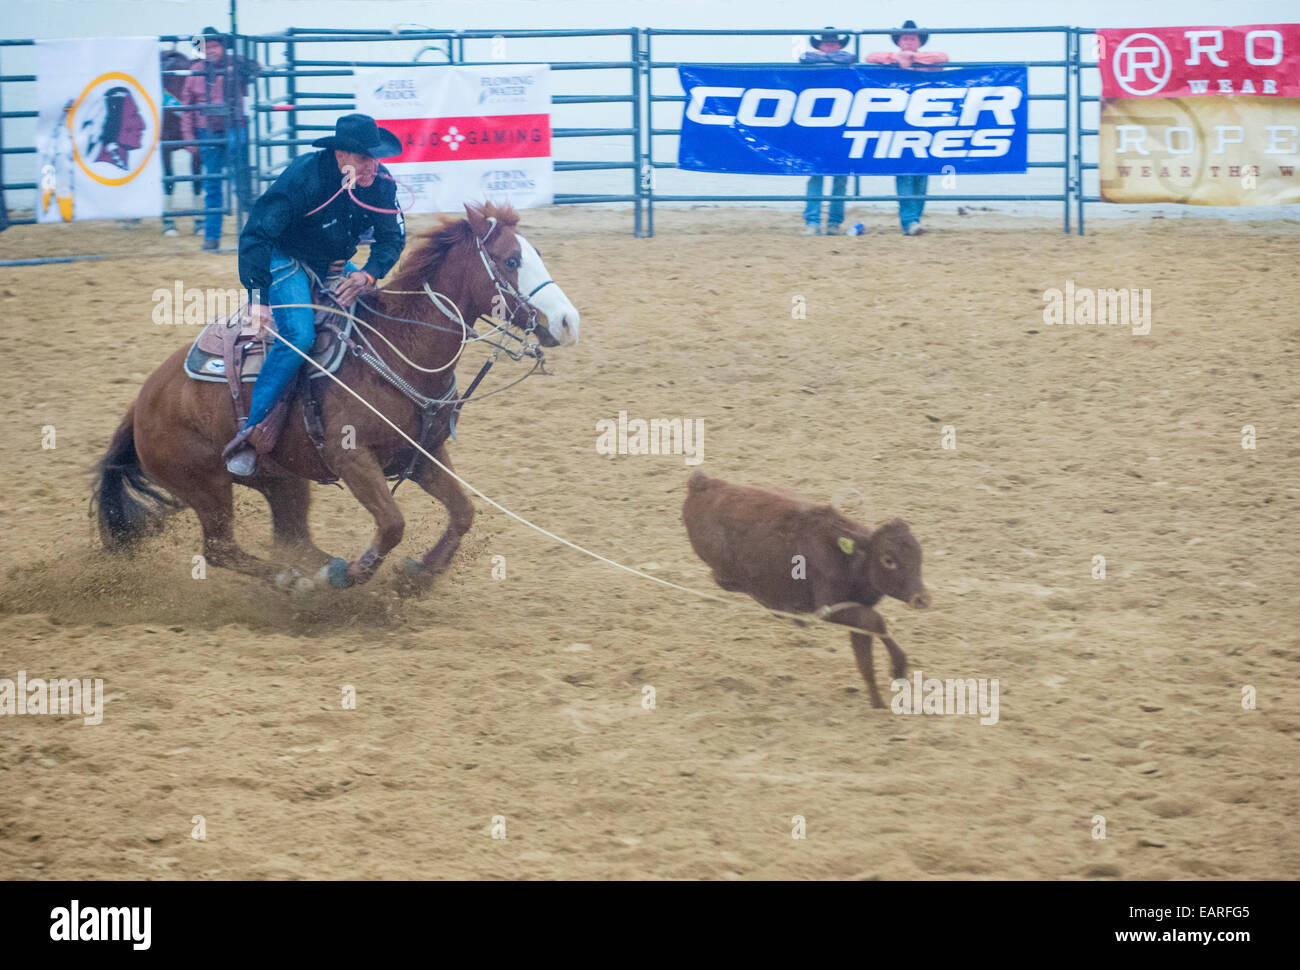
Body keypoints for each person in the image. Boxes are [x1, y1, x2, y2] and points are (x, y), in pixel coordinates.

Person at [221, 113, 406, 475]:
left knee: (378, 310)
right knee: (299, 334)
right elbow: (257, 234)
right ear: (340, 156)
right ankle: (252, 430)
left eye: (375, 157)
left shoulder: (381, 184)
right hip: (284, 256)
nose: (373, 166)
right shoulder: (303, 178)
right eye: (364, 158)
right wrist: (259, 299)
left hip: (333, 262)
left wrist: (368, 275)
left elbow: (391, 238)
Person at [180, 26, 261, 251]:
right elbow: (187, 108)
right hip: (209, 131)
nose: (210, 50)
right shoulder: (195, 71)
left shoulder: (235, 65)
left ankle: (255, 235)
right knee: (213, 185)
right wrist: (189, 138)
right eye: (206, 46)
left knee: (241, 184)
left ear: (222, 47)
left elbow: (257, 70)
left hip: (234, 127)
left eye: (214, 45)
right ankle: (211, 237)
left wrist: (242, 62)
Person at [866, 20, 948, 235]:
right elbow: (870, 58)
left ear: (919, 41)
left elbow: (943, 58)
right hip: (898, 120)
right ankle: (910, 221)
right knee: (904, 170)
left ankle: (916, 218)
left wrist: (912, 58)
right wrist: (896, 58)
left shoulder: (929, 59)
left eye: (912, 37)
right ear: (898, 41)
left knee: (923, 170)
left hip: (926, 120)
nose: (909, 40)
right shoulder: (887, 59)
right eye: (905, 37)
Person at [798, 29, 855, 236]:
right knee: (816, 173)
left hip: (842, 123)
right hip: (816, 123)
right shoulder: (811, 58)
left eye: (834, 42)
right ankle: (812, 221)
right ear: (819, 45)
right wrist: (825, 58)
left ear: (839, 45)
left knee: (840, 176)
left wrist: (826, 58)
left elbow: (849, 58)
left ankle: (833, 222)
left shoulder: (844, 58)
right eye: (826, 42)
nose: (830, 45)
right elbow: (804, 58)